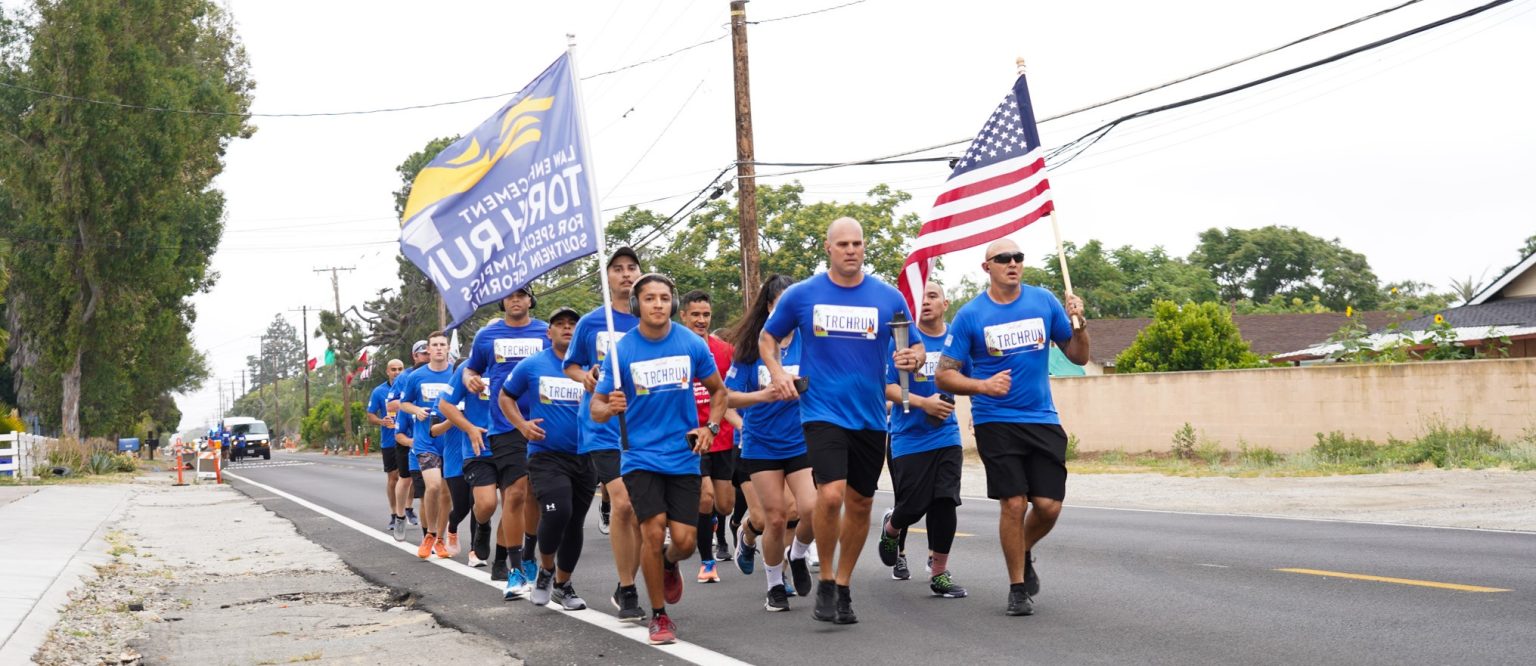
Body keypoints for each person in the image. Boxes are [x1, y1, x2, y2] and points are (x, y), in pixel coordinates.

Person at [759, 217, 923, 625]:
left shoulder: (888, 297)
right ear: (828, 248)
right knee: (830, 496)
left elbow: (915, 346)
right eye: (843, 244)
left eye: (858, 243)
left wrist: (912, 358)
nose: (851, 250)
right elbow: (766, 337)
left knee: (862, 502)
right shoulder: (803, 295)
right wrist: (778, 373)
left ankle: (844, 586)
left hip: (869, 415)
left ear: (864, 248)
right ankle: (827, 579)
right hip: (821, 412)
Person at [936, 238, 1089, 617]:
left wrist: (1080, 325)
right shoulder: (971, 315)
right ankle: (1017, 588)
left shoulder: (1043, 302)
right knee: (1014, 503)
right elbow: (943, 376)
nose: (1013, 263)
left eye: (1018, 257)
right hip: (995, 419)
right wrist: (982, 387)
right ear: (986, 267)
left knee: (1050, 506)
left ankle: (1021, 548)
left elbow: (1079, 355)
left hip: (1041, 417)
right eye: (1003, 258)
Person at [592, 273, 727, 645]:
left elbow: (719, 393)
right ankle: (659, 615)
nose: (657, 304)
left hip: (683, 456)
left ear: (673, 304)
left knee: (683, 542)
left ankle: (669, 563)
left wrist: (710, 429)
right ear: (638, 305)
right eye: (649, 298)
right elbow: (596, 407)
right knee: (652, 531)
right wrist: (609, 407)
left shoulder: (691, 344)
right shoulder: (622, 352)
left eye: (664, 298)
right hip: (639, 456)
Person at [726, 274, 819, 611]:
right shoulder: (752, 350)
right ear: (768, 307)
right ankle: (774, 585)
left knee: (811, 509)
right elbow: (729, 398)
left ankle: (796, 556)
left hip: (800, 440)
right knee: (776, 519)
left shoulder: (809, 342)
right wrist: (764, 395)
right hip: (761, 444)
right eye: (779, 305)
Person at [563, 246, 645, 621]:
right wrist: (588, 378)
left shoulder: (653, 323)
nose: (625, 274)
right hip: (602, 424)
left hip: (646, 426)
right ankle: (627, 588)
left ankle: (636, 576)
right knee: (624, 503)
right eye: (618, 269)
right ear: (607, 277)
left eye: (632, 268)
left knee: (645, 511)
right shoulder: (593, 322)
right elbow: (572, 365)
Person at [876, 281, 969, 599]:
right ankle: (892, 526)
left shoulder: (955, 341)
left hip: (946, 433)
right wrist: (924, 403)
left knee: (945, 500)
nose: (926, 302)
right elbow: (887, 388)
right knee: (914, 505)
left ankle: (939, 573)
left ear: (946, 303)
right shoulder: (901, 342)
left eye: (933, 296)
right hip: (908, 436)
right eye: (921, 298)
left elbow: (969, 378)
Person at [457, 287, 549, 589]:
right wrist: (470, 377)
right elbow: (472, 368)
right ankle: (512, 565)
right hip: (504, 425)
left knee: (534, 494)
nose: (516, 299)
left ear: (530, 300)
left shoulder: (545, 332)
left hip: (541, 422)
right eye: (510, 295)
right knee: (515, 494)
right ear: (502, 301)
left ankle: (530, 553)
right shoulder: (488, 335)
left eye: (522, 295)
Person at [501, 306, 591, 610]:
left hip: (587, 455)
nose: (566, 328)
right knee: (557, 512)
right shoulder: (532, 365)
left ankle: (563, 585)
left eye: (572, 325)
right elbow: (505, 395)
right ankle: (545, 571)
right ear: (548, 332)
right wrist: (522, 425)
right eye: (560, 324)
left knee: (575, 521)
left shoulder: (591, 367)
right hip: (546, 455)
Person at [679, 289, 742, 584]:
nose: (701, 320)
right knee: (704, 499)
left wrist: (742, 424)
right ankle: (707, 561)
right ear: (683, 316)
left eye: (706, 315)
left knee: (724, 504)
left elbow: (729, 395)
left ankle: (715, 523)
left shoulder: (724, 351)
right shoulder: (674, 349)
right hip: (691, 438)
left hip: (722, 434)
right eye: (695, 315)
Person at [398, 332, 457, 560]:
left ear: (448, 348)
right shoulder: (417, 376)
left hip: (451, 441)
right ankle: (429, 534)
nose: (439, 349)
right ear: (428, 350)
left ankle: (440, 538)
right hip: (425, 441)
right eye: (435, 345)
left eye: (443, 345)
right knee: (432, 487)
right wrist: (417, 410)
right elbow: (403, 403)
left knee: (446, 493)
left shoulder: (455, 373)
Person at [389, 341, 430, 541]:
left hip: (431, 434)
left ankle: (433, 530)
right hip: (408, 428)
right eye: (423, 354)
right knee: (405, 478)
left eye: (429, 353)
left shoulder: (439, 371)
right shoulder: (405, 377)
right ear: (415, 356)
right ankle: (399, 515)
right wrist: (411, 403)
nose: (427, 357)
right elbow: (392, 403)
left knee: (432, 484)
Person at [367, 359, 406, 533]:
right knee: (393, 478)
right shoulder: (379, 391)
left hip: (407, 438)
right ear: (387, 372)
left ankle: (407, 510)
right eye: (393, 369)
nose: (397, 372)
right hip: (389, 441)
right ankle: (393, 513)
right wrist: (381, 421)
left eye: (400, 369)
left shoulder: (409, 386)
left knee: (408, 478)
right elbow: (370, 415)